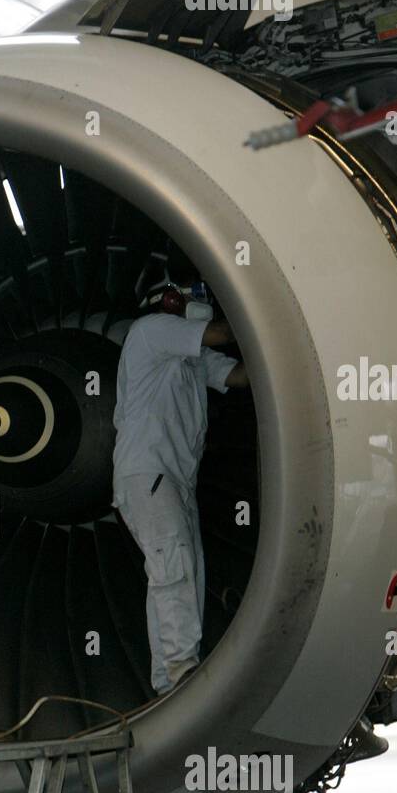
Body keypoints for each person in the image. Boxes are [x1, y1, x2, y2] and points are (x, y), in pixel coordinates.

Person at [111, 285, 250, 696]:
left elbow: (236, 375)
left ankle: (166, 680)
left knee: (181, 572)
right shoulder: (152, 330)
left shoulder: (190, 358)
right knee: (173, 565)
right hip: (148, 473)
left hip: (176, 481)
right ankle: (181, 667)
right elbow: (221, 334)